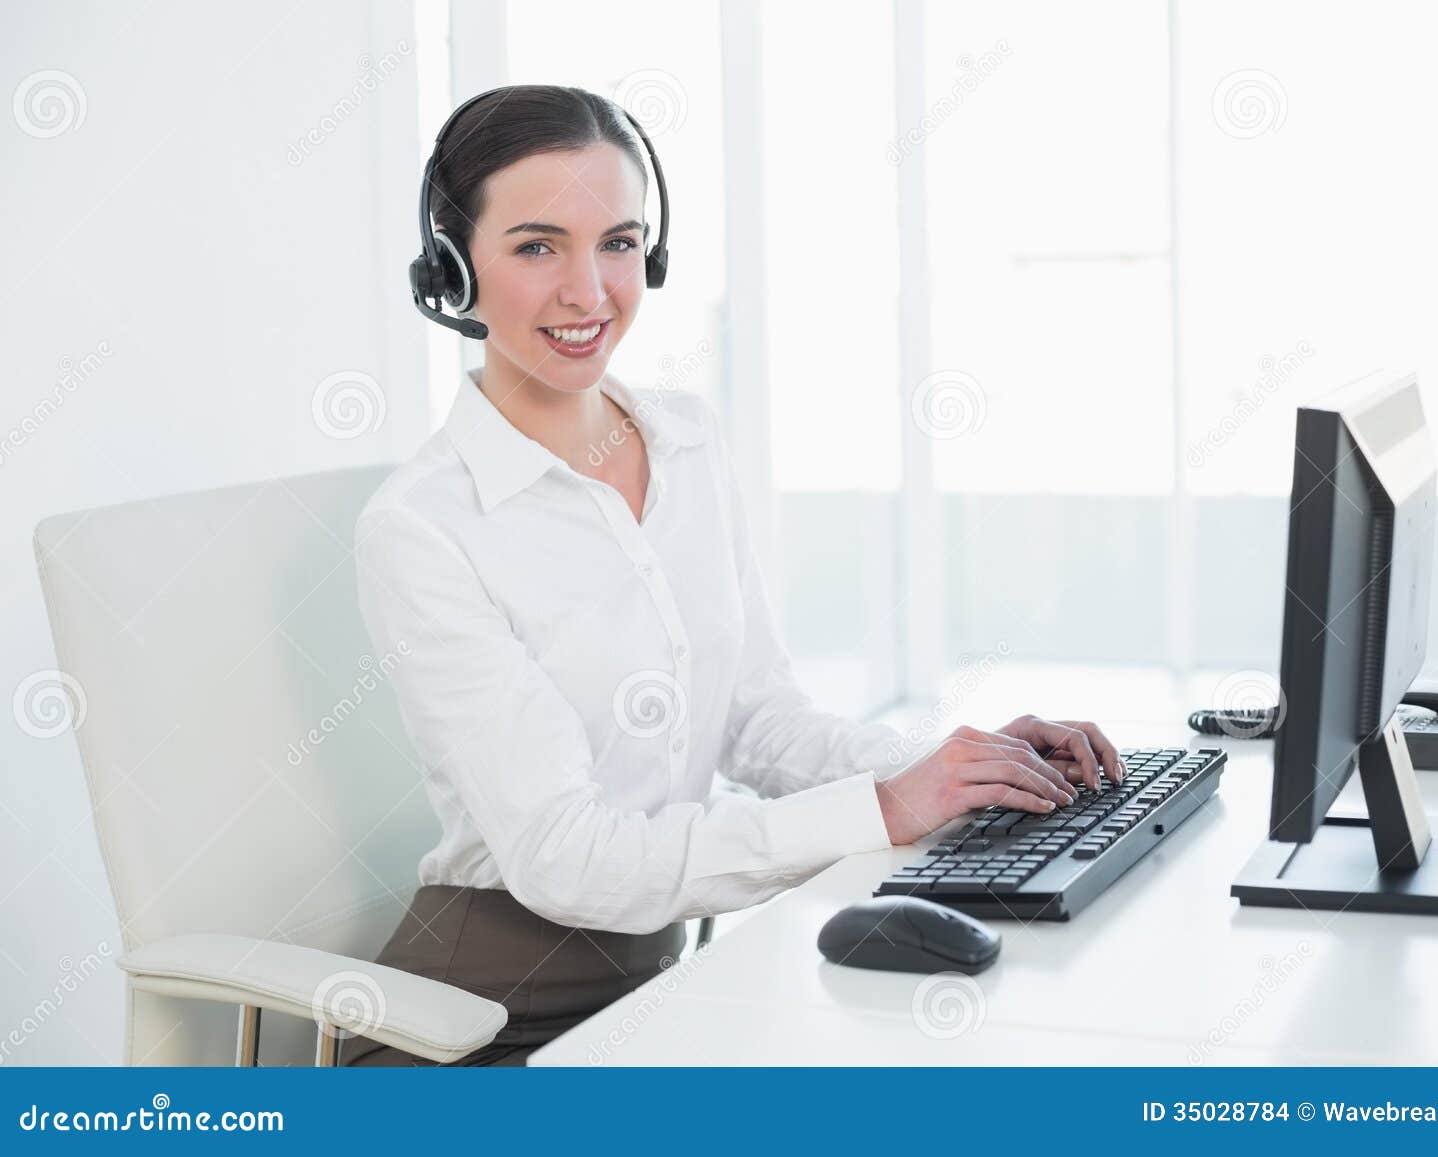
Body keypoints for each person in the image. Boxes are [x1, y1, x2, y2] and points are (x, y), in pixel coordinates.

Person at [340, 85, 1121, 1066]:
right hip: (474, 1021)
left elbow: (758, 721)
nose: (589, 291)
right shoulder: (423, 527)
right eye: (537, 246)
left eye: (620, 243)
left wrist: (947, 769)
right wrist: (881, 809)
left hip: (663, 984)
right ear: (451, 269)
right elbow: (570, 861)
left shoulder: (688, 441)